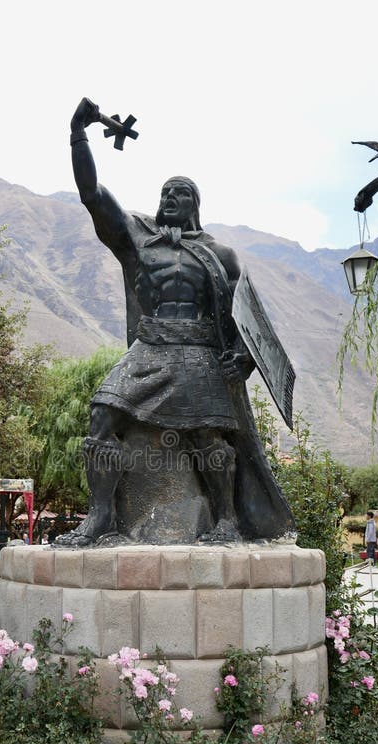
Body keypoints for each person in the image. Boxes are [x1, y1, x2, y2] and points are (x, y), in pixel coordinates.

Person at [57, 98, 294, 547]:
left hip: (200, 352)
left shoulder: (220, 253)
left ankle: (226, 520)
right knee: (103, 412)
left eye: (179, 193)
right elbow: (92, 195)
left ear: (194, 205)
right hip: (151, 349)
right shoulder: (138, 238)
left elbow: (247, 318)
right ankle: (100, 516)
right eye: (165, 192)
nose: (169, 198)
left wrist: (242, 359)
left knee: (208, 436)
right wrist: (78, 133)